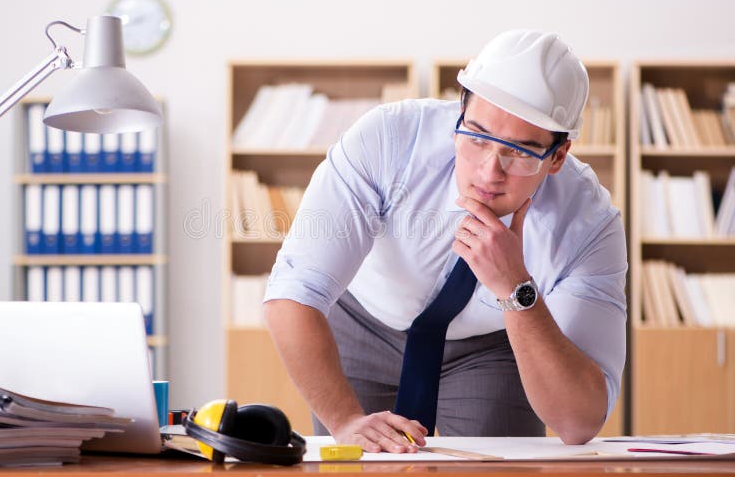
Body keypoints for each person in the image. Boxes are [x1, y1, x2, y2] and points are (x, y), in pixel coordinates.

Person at [262, 30, 627, 453]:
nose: (491, 171)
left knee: (496, 467)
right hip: (364, 321)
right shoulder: (389, 139)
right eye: (477, 136)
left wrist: (516, 288)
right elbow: (292, 293)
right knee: (360, 459)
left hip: (495, 343)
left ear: (559, 157)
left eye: (521, 152)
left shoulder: (588, 222)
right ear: (459, 113)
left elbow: (579, 421)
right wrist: (344, 420)